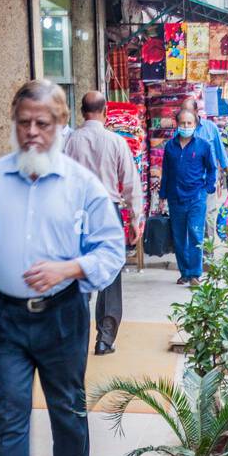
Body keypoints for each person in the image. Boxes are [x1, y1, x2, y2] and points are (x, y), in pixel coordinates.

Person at [0, 80, 124, 456]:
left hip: (62, 316)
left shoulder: (81, 184)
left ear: (60, 126)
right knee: (10, 413)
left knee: (66, 409)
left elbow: (111, 249)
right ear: (14, 124)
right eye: (24, 123)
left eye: (42, 124)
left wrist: (69, 268)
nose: (32, 132)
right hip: (6, 319)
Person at [65, 90, 143, 356]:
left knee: (79, 273)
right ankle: (104, 340)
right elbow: (131, 183)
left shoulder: (71, 142)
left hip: (79, 214)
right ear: (105, 112)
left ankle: (78, 337)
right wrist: (136, 220)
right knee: (109, 275)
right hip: (108, 211)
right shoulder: (116, 142)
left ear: (82, 111)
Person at [160, 105, 217, 287]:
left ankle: (195, 274)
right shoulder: (170, 146)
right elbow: (166, 172)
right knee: (178, 236)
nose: (186, 126)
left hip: (196, 198)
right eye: (182, 123)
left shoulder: (203, 145)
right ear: (177, 124)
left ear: (196, 124)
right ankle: (184, 272)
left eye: (189, 123)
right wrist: (162, 196)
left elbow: (212, 168)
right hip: (175, 198)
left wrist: (207, 187)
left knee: (195, 233)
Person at [179, 95, 228, 245]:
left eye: (188, 111)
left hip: (207, 182)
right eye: (183, 112)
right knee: (191, 218)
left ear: (196, 111)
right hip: (187, 185)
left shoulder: (210, 128)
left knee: (208, 216)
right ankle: (194, 252)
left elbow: (221, 153)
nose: (186, 116)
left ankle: (208, 255)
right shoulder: (181, 131)